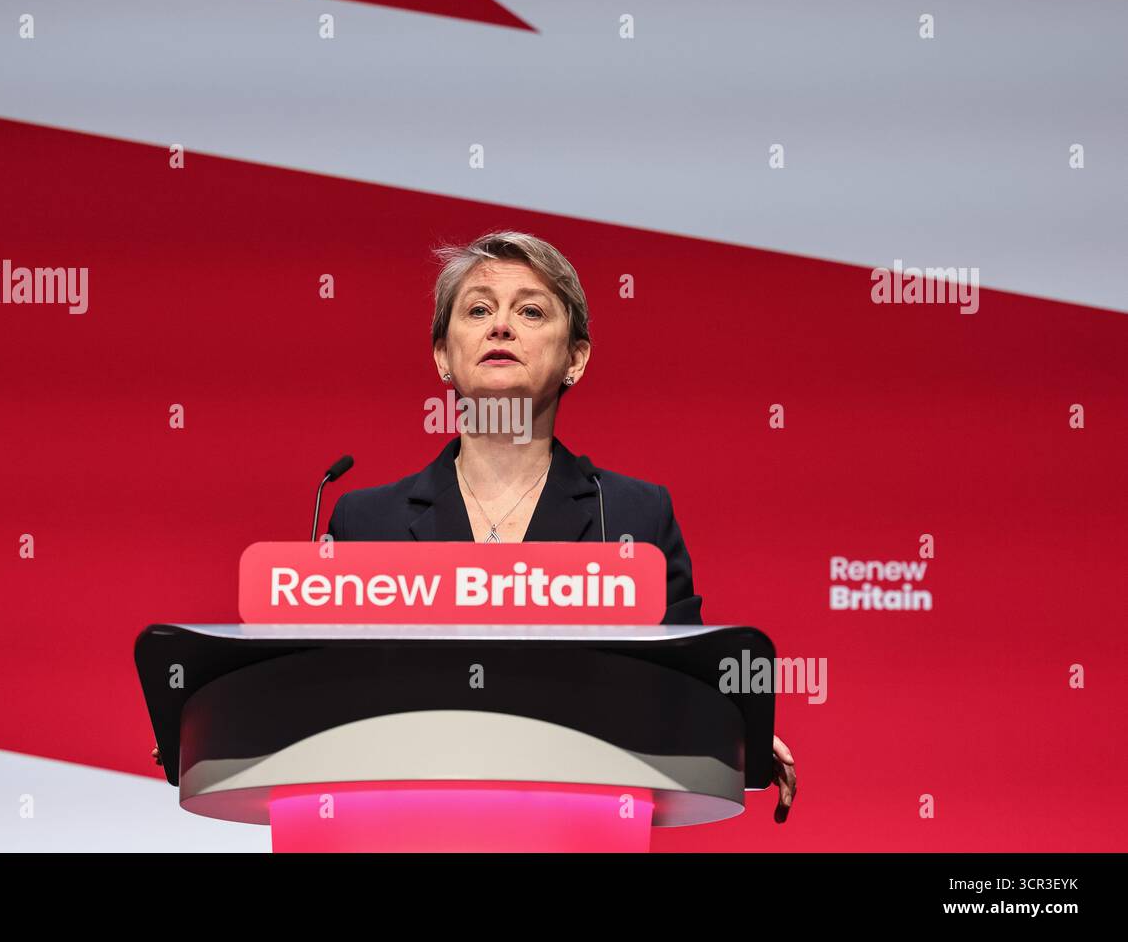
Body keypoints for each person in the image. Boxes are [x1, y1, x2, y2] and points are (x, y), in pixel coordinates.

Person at [323, 229, 797, 822]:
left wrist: (733, 734)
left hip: (575, 827)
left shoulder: (632, 515)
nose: (501, 326)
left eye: (530, 311)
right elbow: (320, 698)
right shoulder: (366, 521)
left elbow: (686, 687)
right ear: (443, 354)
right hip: (404, 828)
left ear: (575, 357)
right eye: (477, 309)